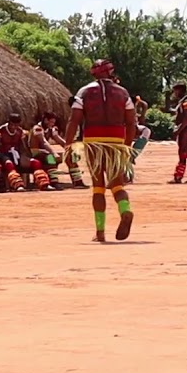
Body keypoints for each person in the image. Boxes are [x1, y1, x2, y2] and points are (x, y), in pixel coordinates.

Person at [64, 59, 137, 242]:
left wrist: (68, 146)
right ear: (110, 72)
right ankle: (125, 210)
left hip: (93, 141)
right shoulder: (122, 93)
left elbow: (74, 121)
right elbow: (131, 123)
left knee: (98, 187)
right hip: (116, 141)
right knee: (117, 184)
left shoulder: (84, 92)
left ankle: (100, 232)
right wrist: (127, 148)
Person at [0, 114, 29, 192]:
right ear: (8, 123)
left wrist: (24, 155)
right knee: (9, 164)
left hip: (19, 154)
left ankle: (48, 183)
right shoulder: (0, 131)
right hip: (3, 154)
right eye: (12, 124)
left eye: (16, 125)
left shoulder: (20, 131)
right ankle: (17, 184)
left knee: (40, 162)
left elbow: (23, 146)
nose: (14, 127)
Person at [28, 114, 62, 191]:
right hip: (34, 152)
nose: (52, 124)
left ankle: (53, 180)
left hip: (44, 152)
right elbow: (43, 142)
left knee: (51, 158)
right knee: (50, 158)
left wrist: (68, 147)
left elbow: (58, 139)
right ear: (46, 120)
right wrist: (53, 153)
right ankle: (53, 182)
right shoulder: (37, 128)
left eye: (53, 123)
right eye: (51, 122)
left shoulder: (49, 129)